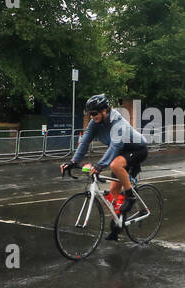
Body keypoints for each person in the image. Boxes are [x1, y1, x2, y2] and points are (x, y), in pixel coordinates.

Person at [61, 94, 148, 241]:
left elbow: (115, 146)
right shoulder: (94, 123)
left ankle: (131, 197)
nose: (92, 116)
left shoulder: (117, 123)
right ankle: (119, 224)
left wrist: (100, 165)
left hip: (137, 150)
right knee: (113, 193)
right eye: (90, 114)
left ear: (104, 110)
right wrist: (73, 161)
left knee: (115, 164)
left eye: (94, 113)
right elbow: (85, 142)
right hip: (121, 153)